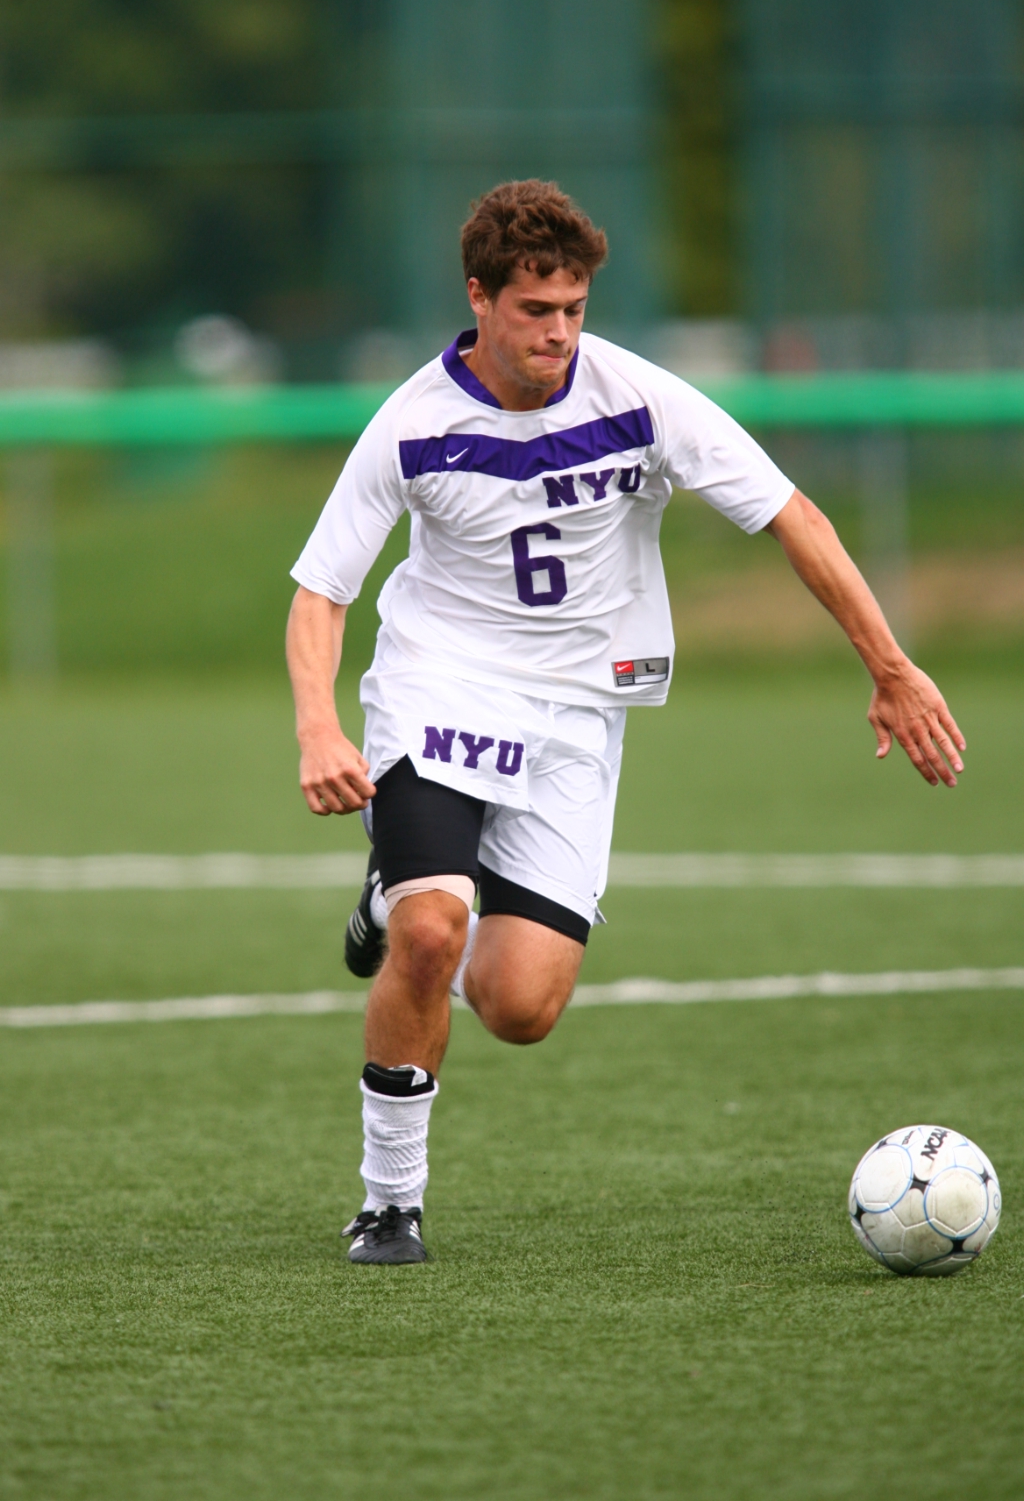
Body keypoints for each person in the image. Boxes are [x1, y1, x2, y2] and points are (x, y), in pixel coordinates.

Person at [286, 179, 964, 1266]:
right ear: (480, 300)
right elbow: (322, 590)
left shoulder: (640, 398)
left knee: (519, 1006)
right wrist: (321, 730)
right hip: (438, 692)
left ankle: (396, 886)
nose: (558, 332)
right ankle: (389, 1202)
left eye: (573, 308)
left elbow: (791, 514)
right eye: (533, 311)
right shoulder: (413, 423)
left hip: (577, 715)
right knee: (429, 932)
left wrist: (888, 665)